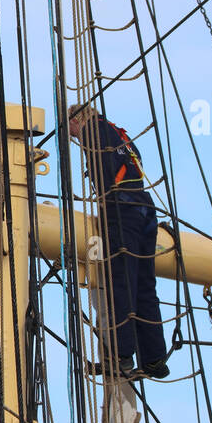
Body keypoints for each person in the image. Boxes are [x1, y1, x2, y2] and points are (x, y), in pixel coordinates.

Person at [67, 103, 169, 380]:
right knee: (145, 286)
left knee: (121, 281)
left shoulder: (94, 130)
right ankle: (155, 359)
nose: (75, 138)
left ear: (76, 120)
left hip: (121, 209)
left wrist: (103, 196)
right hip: (145, 208)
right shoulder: (119, 133)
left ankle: (121, 356)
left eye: (72, 131)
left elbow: (104, 168)